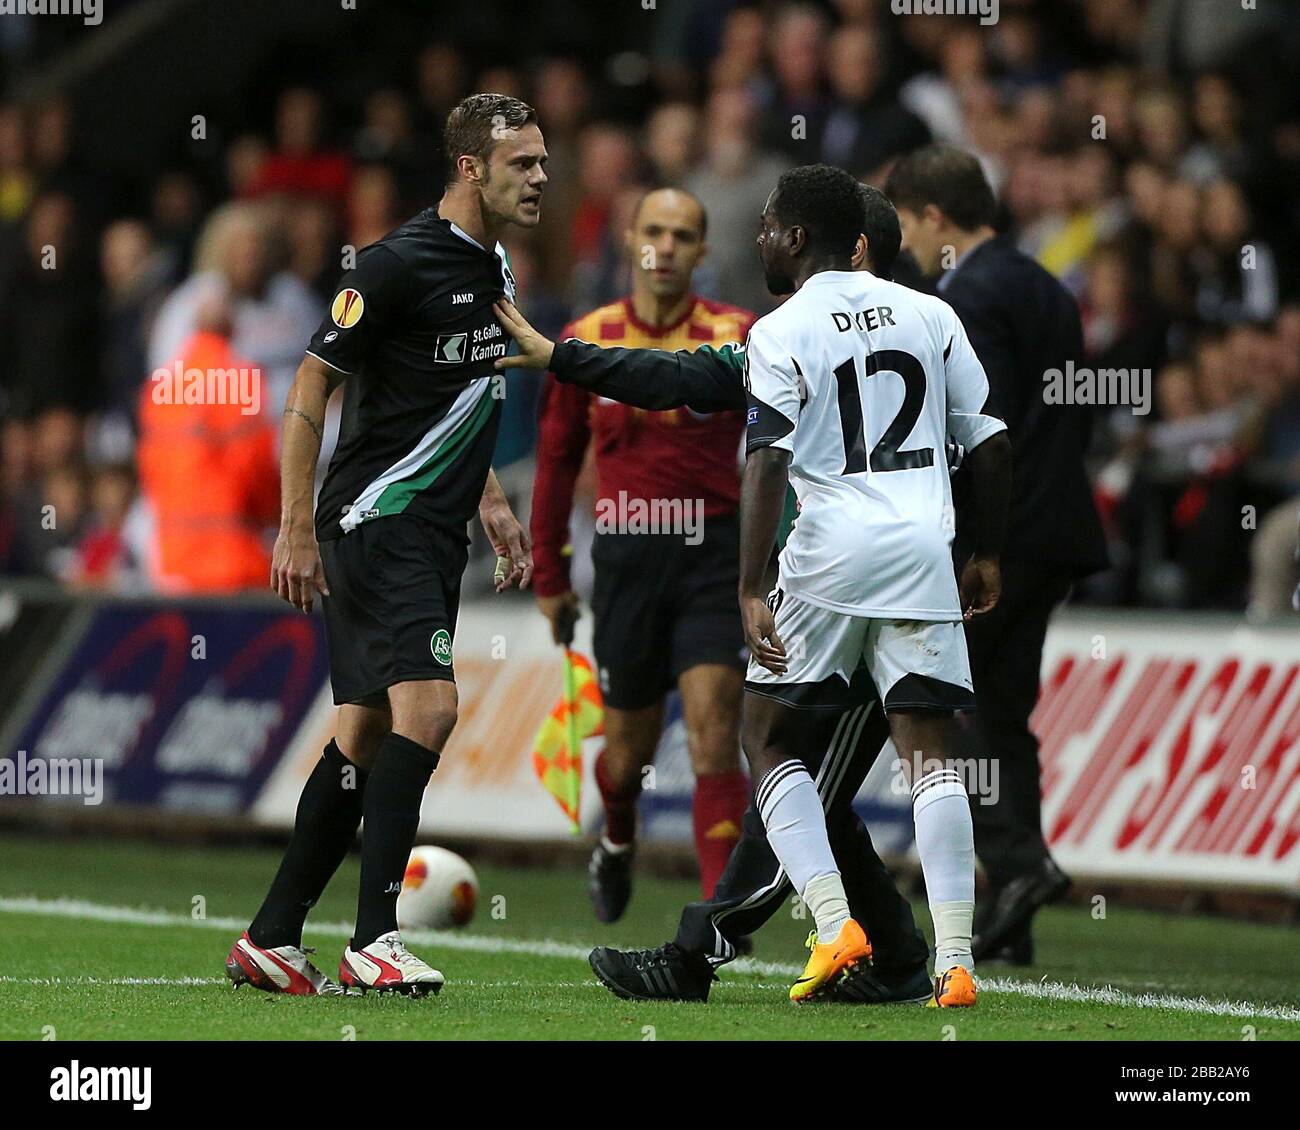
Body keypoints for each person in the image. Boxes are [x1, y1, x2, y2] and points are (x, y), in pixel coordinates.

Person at [495, 177, 1007, 1006]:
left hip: (831, 564)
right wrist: (986, 551)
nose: (757, 240)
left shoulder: (784, 331)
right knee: (904, 764)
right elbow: (989, 442)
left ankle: (746, 939)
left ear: (813, 240)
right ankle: (939, 959)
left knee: (771, 746)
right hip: (924, 556)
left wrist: (751, 585)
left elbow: (746, 438)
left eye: (767, 227)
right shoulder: (931, 320)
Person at [225, 93, 543, 998]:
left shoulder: (494, 265)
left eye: (545, 161)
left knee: (363, 732)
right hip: (378, 516)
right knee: (430, 712)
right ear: (471, 169)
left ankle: (271, 937)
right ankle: (375, 938)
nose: (541, 178)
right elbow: (310, 388)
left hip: (434, 525)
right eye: (523, 163)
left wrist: (490, 498)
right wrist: (294, 525)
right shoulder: (397, 264)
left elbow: (459, 392)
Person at [885, 144, 1109, 963]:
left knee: (936, 705)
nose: (904, 243)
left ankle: (1016, 865)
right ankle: (1016, 904)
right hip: (1059, 531)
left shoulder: (967, 294)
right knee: (1004, 713)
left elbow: (980, 430)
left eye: (906, 224)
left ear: (934, 218)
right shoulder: (1044, 281)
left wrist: (974, 540)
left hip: (1000, 539)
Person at [531, 187, 753, 922]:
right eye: (653, 231)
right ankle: (617, 835)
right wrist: (551, 572)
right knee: (625, 758)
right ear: (630, 241)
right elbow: (558, 461)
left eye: (683, 235)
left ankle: (719, 914)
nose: (666, 246)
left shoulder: (738, 335)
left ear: (702, 252)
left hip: (713, 557)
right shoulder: (584, 335)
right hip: (626, 559)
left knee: (716, 730)